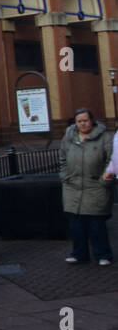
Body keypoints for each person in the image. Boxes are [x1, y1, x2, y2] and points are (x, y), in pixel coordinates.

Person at [60, 107, 114, 265]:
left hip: (95, 186)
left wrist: (105, 180)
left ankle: (103, 255)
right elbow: (62, 158)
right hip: (72, 186)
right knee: (76, 224)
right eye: (79, 121)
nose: (82, 124)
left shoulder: (104, 138)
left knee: (96, 224)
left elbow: (111, 160)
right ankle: (79, 254)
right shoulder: (69, 137)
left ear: (92, 121)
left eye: (85, 120)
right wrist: (64, 176)